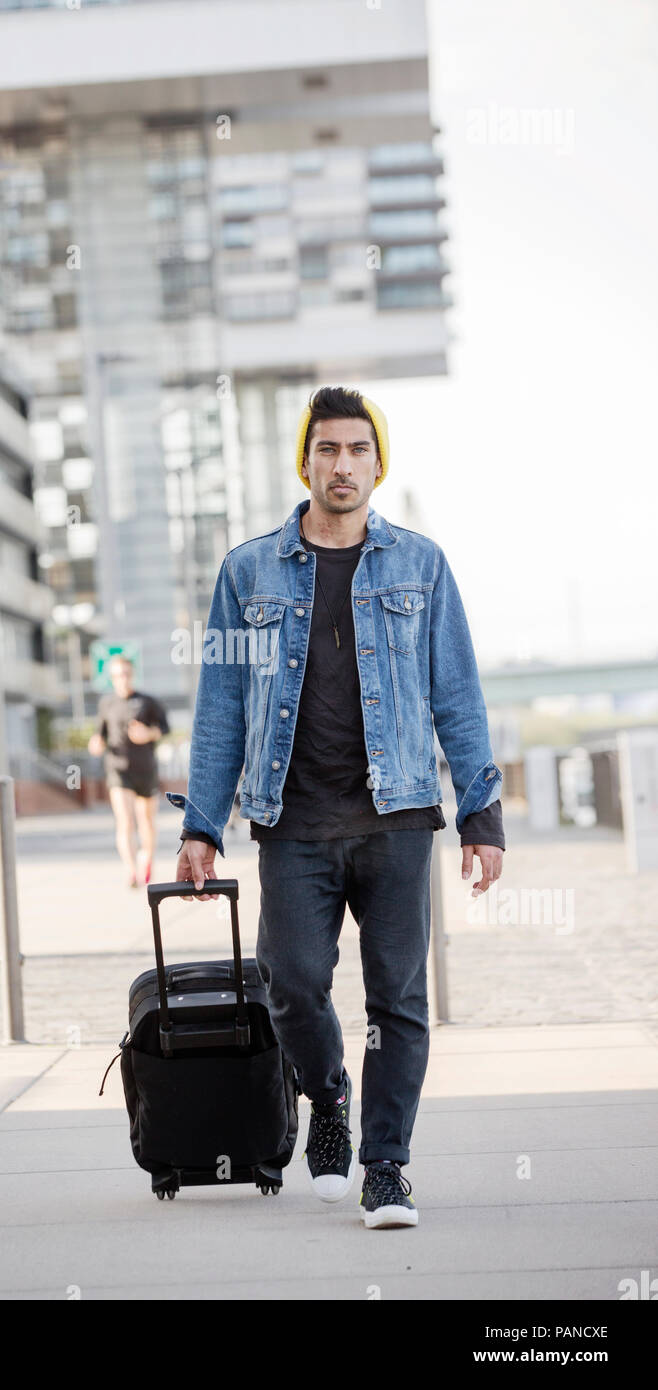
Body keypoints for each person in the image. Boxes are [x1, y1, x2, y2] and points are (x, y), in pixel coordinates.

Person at [170, 385, 505, 1230]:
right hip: (291, 824)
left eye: (359, 449)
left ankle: (386, 1168)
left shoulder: (421, 565)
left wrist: (481, 815)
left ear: (379, 462)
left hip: (396, 822)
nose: (343, 464)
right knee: (292, 984)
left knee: (397, 1002)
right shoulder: (245, 571)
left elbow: (456, 696)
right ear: (306, 460)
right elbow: (219, 706)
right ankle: (327, 1098)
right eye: (328, 449)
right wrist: (202, 825)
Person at [88, 655, 170, 889]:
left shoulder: (148, 702)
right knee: (125, 821)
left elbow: (164, 729)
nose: (121, 679)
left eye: (125, 673)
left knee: (146, 820)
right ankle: (131, 870)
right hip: (117, 769)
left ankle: (147, 859)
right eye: (116, 675)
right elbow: (99, 735)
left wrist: (148, 734)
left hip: (145, 769)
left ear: (132, 675)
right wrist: (96, 744)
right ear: (112, 678)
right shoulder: (107, 704)